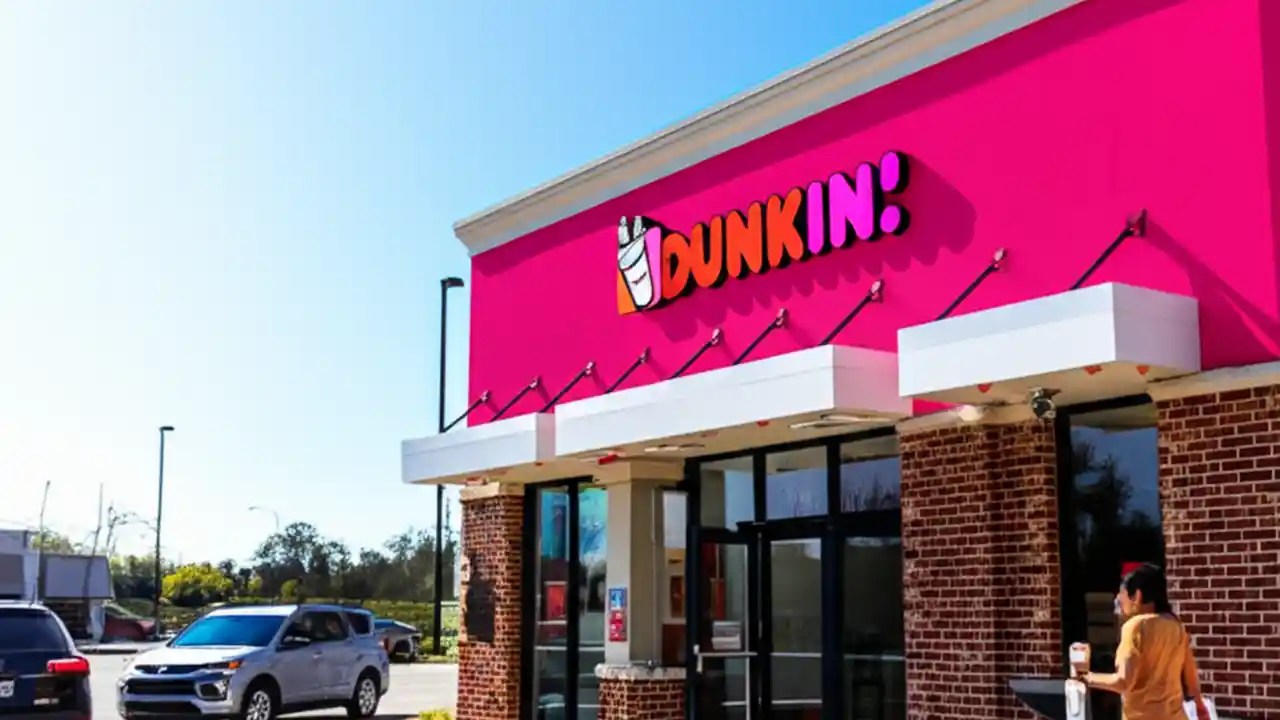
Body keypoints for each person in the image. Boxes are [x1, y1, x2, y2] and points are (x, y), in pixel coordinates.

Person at [1077, 564, 1211, 720]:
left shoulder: (1135, 627)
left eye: (1122, 593)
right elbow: (1191, 678)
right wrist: (1200, 707)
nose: (1118, 599)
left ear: (1137, 595)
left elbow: (1123, 682)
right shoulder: (1176, 626)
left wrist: (1086, 677)